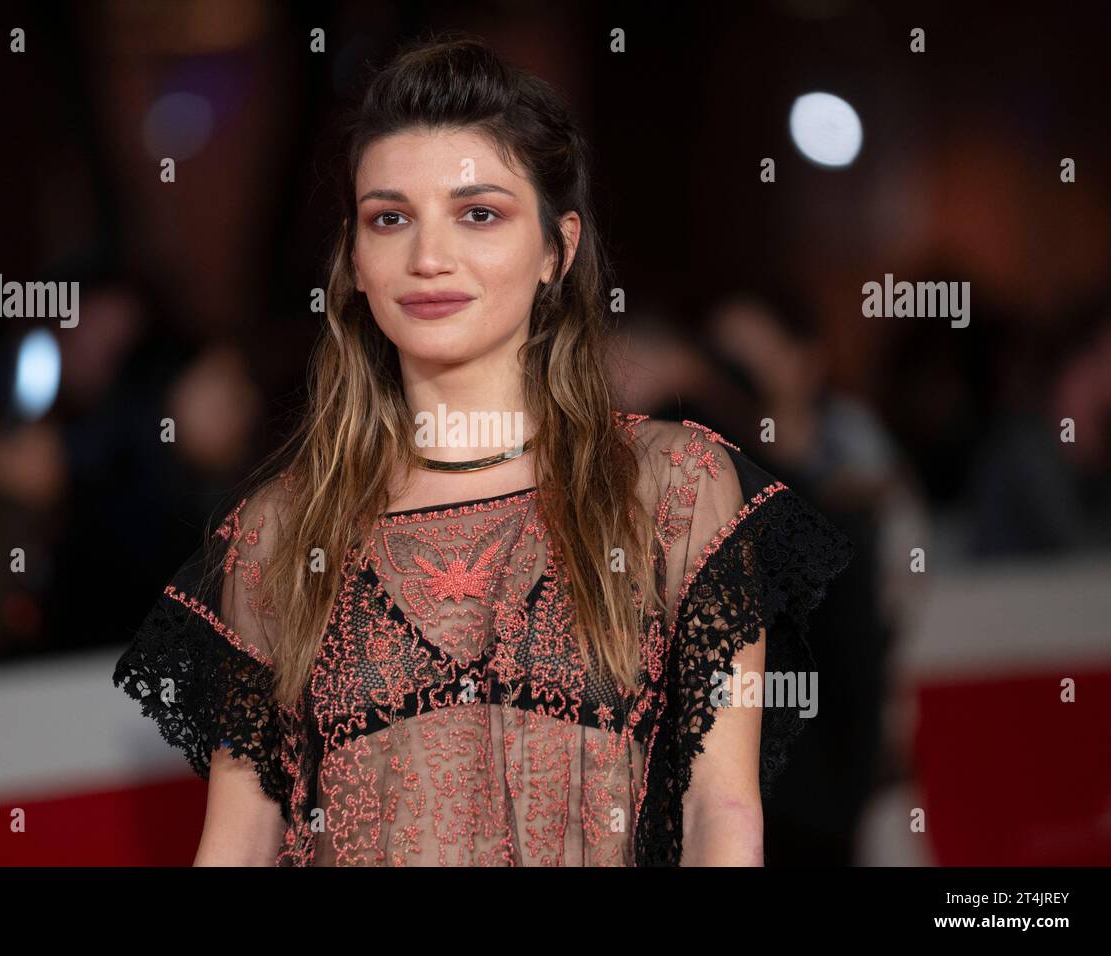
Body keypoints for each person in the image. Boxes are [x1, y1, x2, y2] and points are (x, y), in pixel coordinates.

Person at [112, 34, 854, 866]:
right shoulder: (280, 532)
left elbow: (721, 813)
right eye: (389, 218)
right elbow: (238, 843)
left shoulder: (673, 489)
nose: (429, 259)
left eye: (479, 213)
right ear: (355, 262)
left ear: (557, 250)